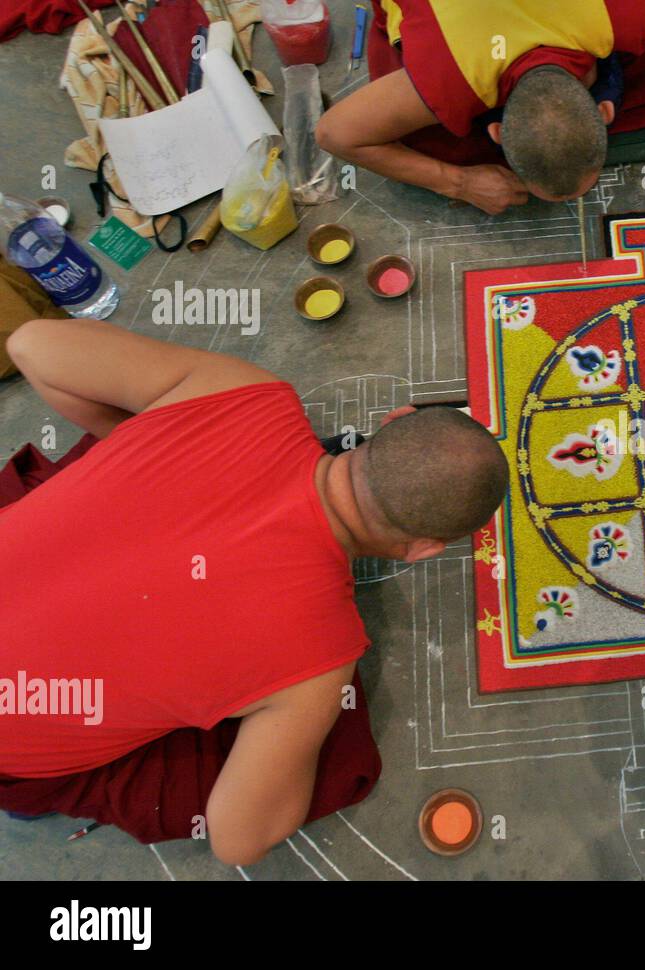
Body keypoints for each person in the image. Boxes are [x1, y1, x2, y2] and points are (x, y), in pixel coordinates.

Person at [0, 318, 508, 866]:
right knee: (334, 754)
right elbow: (238, 840)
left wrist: (132, 441)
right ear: (423, 550)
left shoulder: (245, 392)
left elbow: (30, 344)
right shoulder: (321, 656)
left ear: (392, 420)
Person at [315, 0, 645, 214]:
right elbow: (333, 133)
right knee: (434, 144)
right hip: (457, 37)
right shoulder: (451, 77)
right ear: (605, 113)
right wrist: (457, 182)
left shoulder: (624, 15)